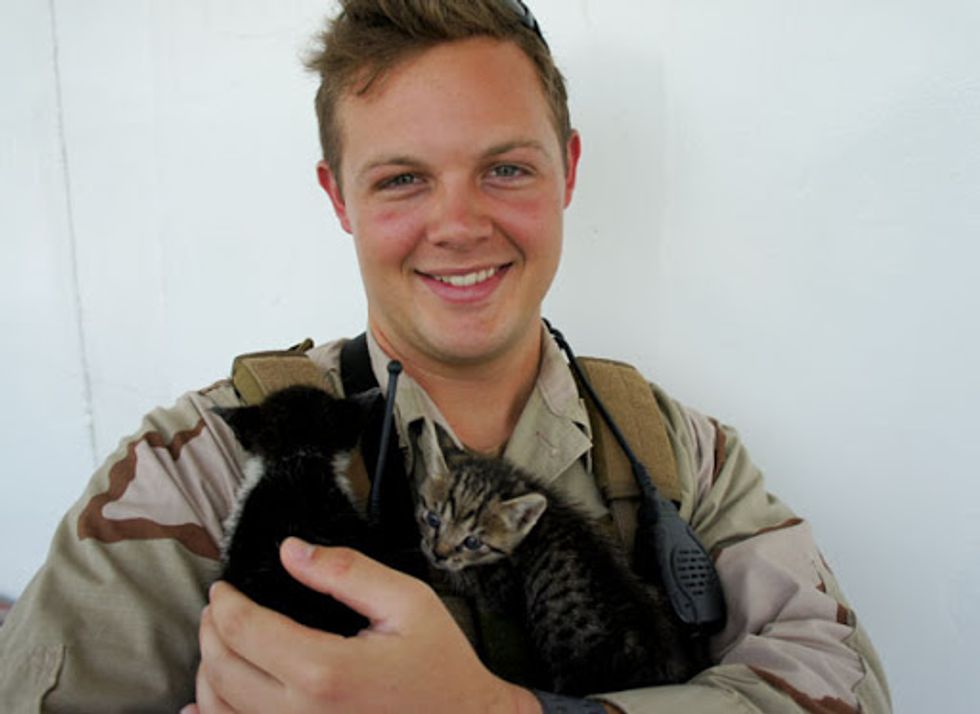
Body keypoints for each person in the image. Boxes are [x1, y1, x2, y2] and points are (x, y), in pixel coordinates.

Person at [0, 2, 891, 712]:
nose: (460, 226)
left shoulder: (680, 456)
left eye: (505, 169)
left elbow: (848, 686)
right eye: (401, 179)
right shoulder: (199, 469)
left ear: (568, 172)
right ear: (338, 197)